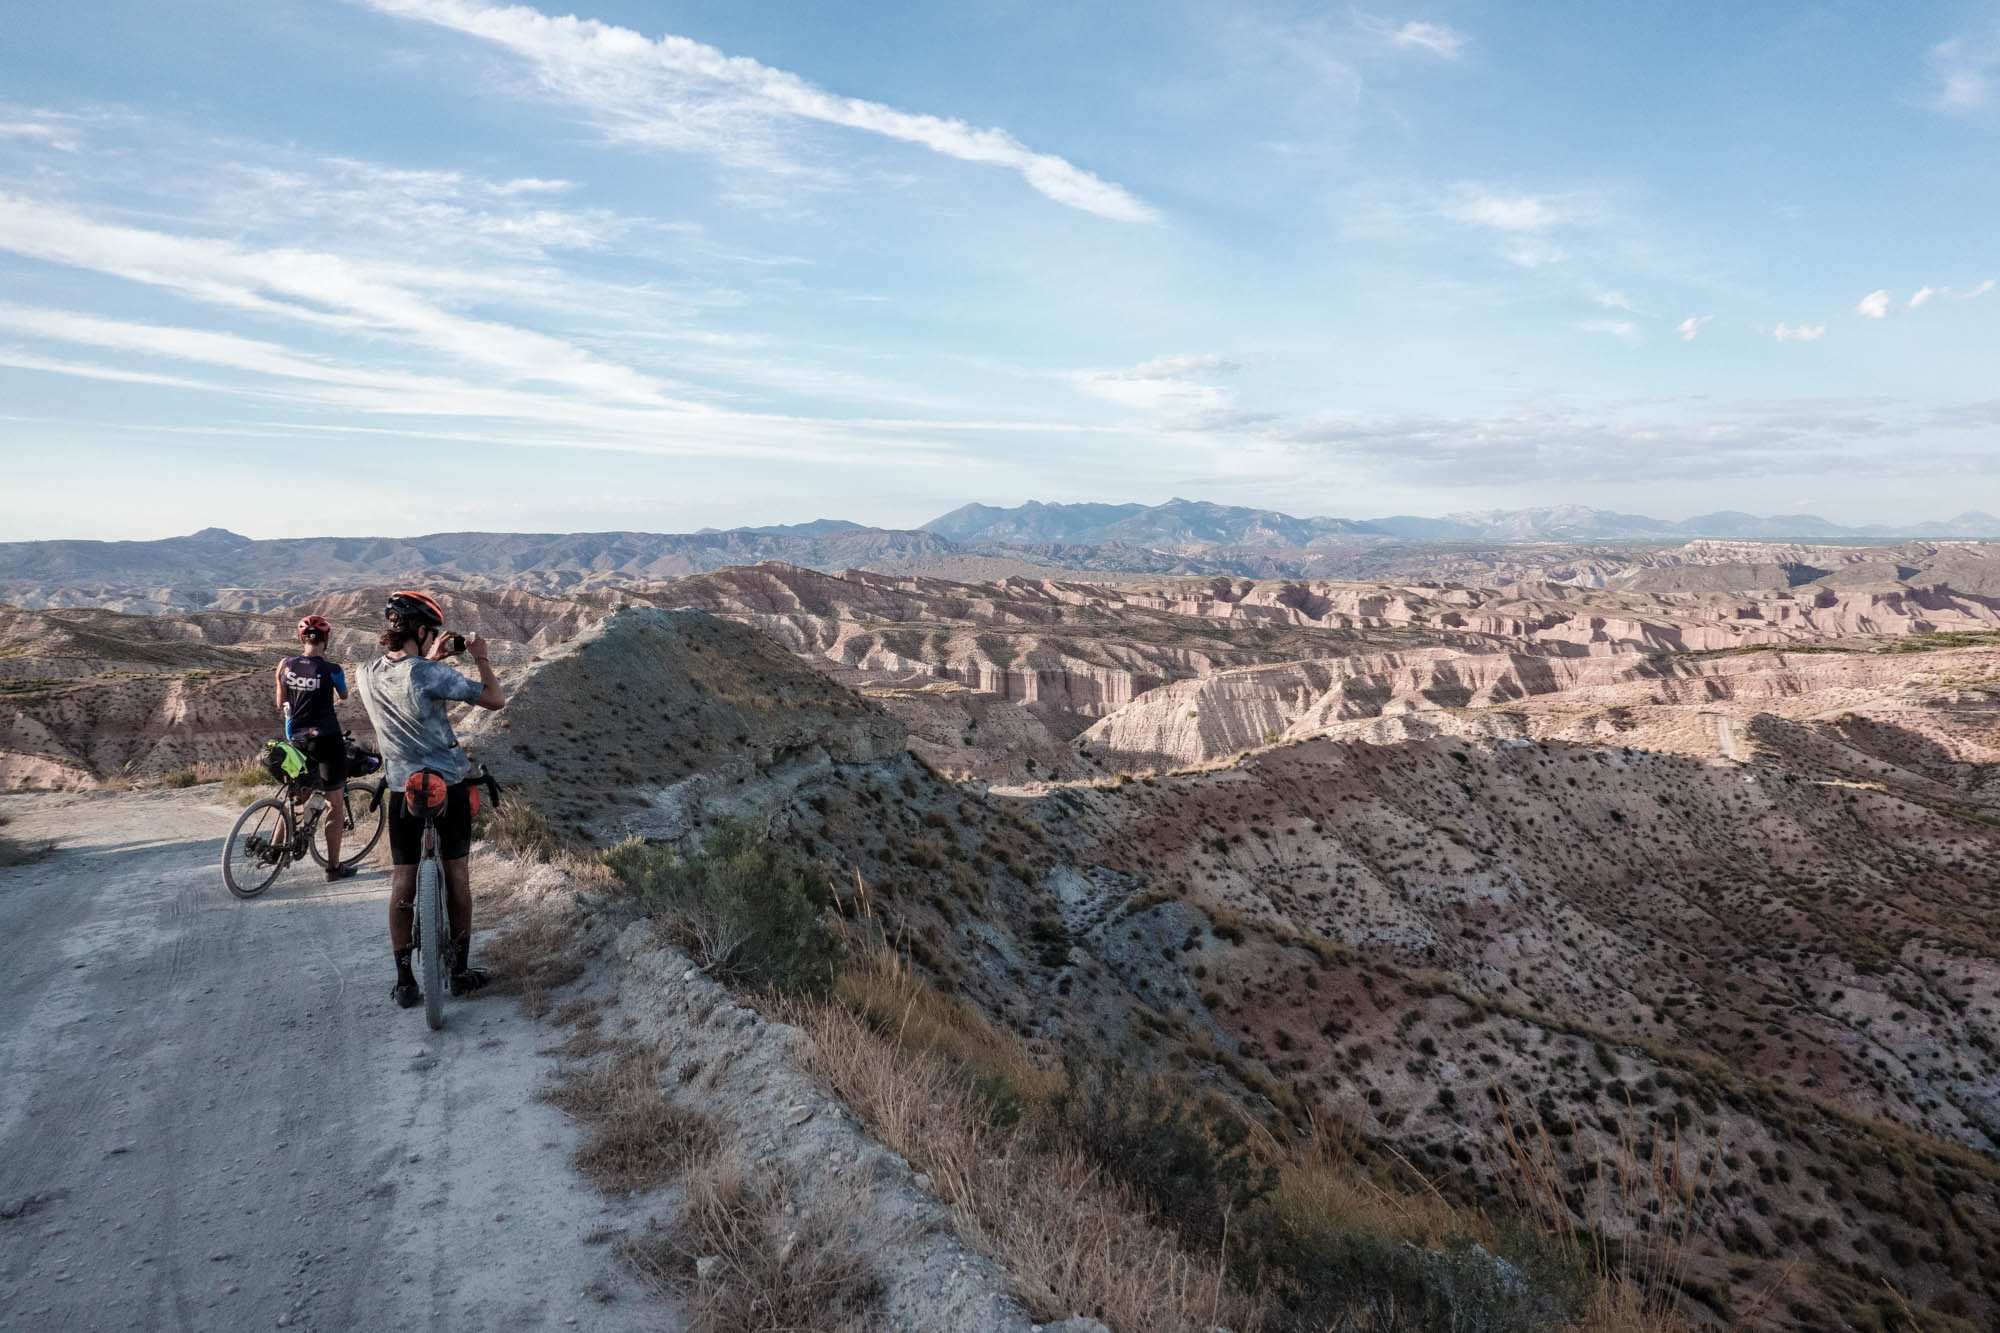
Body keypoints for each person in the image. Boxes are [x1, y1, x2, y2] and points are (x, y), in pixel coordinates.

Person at [352, 590, 506, 1011]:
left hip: (403, 791)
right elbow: (495, 699)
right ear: (421, 631)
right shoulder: (430, 674)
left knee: (403, 880)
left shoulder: (364, 672)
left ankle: (404, 982)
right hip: (448, 785)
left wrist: (431, 657)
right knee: (458, 877)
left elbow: (407, 686)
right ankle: (458, 973)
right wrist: (480, 657)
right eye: (431, 632)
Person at [276, 614, 356, 883]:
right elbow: (343, 696)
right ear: (327, 640)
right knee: (335, 805)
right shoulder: (333, 669)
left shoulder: (284, 665)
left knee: (295, 796)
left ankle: (276, 848)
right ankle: (333, 868)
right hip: (327, 739)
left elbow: (280, 702)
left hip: (296, 739)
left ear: (302, 639)